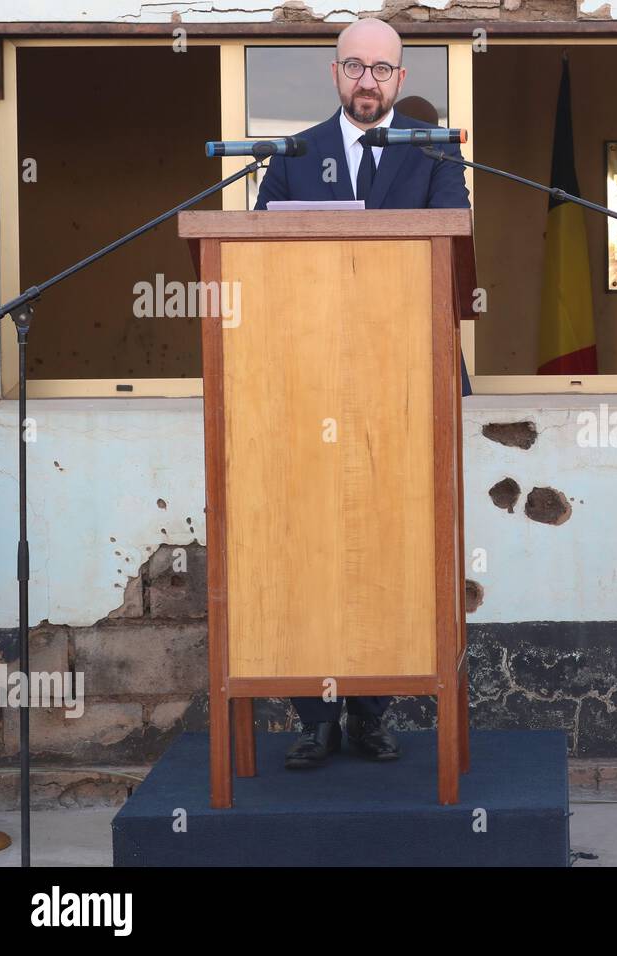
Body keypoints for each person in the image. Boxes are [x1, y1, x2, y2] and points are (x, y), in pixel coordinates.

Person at [253, 17, 472, 769]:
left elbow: (452, 238)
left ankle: (374, 713)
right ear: (336, 75)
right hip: (307, 381)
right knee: (313, 544)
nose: (368, 81)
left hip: (410, 379)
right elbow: (257, 263)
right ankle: (315, 718)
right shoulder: (293, 154)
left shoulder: (434, 150)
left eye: (382, 69)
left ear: (401, 80)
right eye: (355, 67)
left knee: (395, 545)